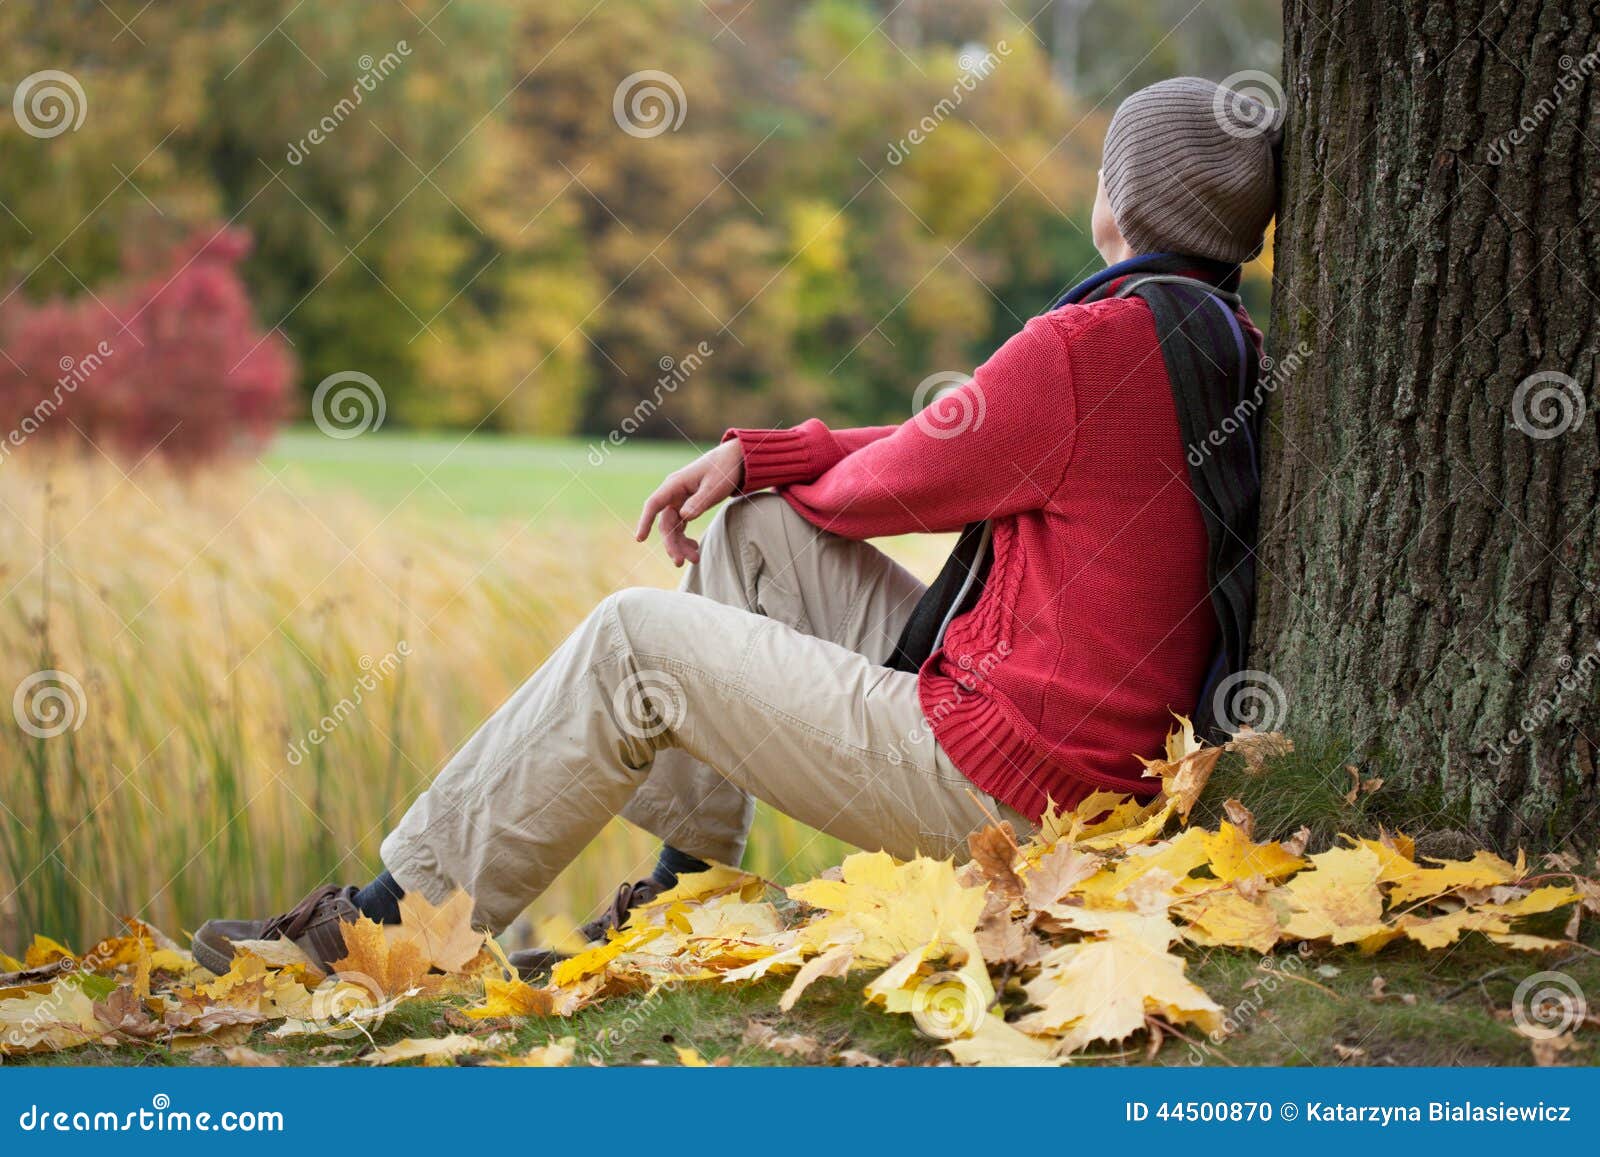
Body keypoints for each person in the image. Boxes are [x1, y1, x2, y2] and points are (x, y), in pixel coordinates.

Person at [192, 76, 1281, 977]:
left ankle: (377, 935)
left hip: (1012, 786)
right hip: (1098, 773)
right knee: (761, 529)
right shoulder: (1220, 340)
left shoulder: (1093, 342)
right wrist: (764, 462)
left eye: (1103, 166)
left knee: (633, 640)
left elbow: (895, 481)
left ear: (1122, 195)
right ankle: (684, 893)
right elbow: (955, 438)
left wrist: (797, 463)